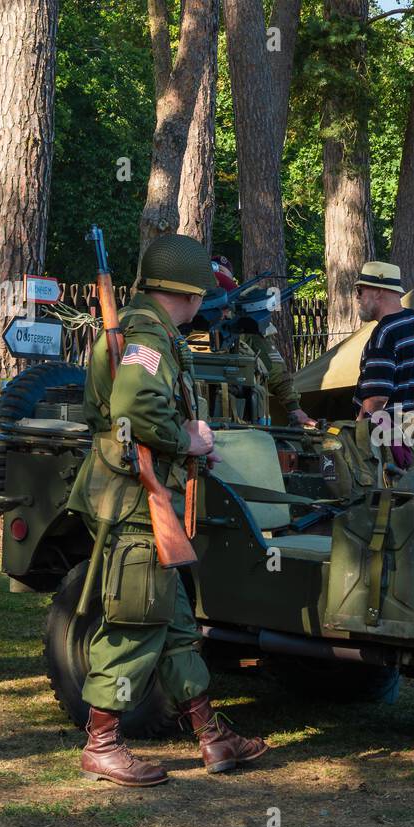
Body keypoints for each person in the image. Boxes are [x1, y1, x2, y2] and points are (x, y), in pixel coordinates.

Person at [66, 234, 268, 786]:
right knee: (136, 623)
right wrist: (190, 439)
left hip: (141, 498)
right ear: (192, 293)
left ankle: (212, 736)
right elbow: (133, 408)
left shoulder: (145, 330)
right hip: (132, 501)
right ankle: (101, 744)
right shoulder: (149, 335)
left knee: (176, 625)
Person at [210, 256, 315, 426]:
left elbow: (273, 366)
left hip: (233, 409)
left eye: (222, 273)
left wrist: (294, 408)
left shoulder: (244, 316)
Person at [352, 261, 414, 420]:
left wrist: (360, 425)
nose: (357, 297)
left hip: (388, 435)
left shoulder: (384, 333)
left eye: (360, 290)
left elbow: (377, 398)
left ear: (378, 292)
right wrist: (409, 385)